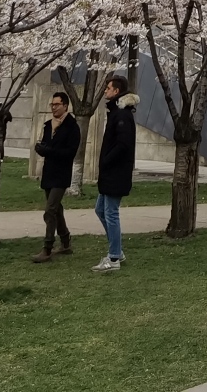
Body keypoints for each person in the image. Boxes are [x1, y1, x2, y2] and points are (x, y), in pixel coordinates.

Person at [30, 91, 81, 263]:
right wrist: (41, 148)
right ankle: (65, 241)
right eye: (52, 104)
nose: (53, 107)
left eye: (57, 104)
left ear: (65, 106)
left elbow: (70, 152)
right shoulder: (47, 125)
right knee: (57, 209)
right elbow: (45, 145)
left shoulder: (72, 127)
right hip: (49, 173)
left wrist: (49, 151)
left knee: (50, 210)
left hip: (61, 173)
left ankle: (47, 248)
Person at [94, 76, 138, 273]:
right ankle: (117, 250)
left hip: (116, 172)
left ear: (117, 91)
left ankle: (113, 258)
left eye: (108, 88)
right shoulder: (116, 113)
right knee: (100, 210)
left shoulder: (122, 116)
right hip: (110, 172)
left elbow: (123, 145)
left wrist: (107, 160)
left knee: (111, 212)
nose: (105, 91)